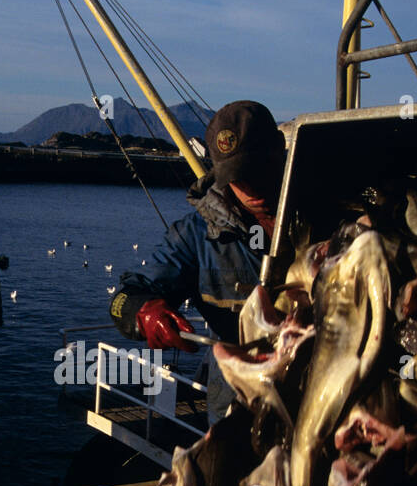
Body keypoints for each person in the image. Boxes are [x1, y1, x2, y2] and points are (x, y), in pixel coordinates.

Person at [109, 100, 286, 424]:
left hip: (321, 403)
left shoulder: (329, 214)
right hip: (236, 414)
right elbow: (124, 298)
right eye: (237, 175)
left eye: (256, 168)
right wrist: (143, 312)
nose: (249, 185)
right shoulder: (195, 237)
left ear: (280, 149)